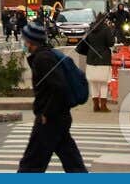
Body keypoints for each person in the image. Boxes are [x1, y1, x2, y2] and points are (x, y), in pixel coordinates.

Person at [16, 22, 87, 173]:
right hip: (58, 117)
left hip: (50, 119)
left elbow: (59, 87)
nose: (24, 43)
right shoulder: (45, 55)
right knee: (71, 160)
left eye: (25, 40)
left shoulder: (43, 59)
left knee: (31, 163)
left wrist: (45, 113)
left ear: (32, 41)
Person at [77, 12, 116, 113]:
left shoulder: (90, 29)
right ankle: (103, 106)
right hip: (103, 59)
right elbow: (110, 43)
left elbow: (86, 42)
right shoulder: (106, 29)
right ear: (104, 20)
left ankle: (95, 106)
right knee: (103, 83)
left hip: (91, 58)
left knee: (93, 83)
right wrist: (112, 34)